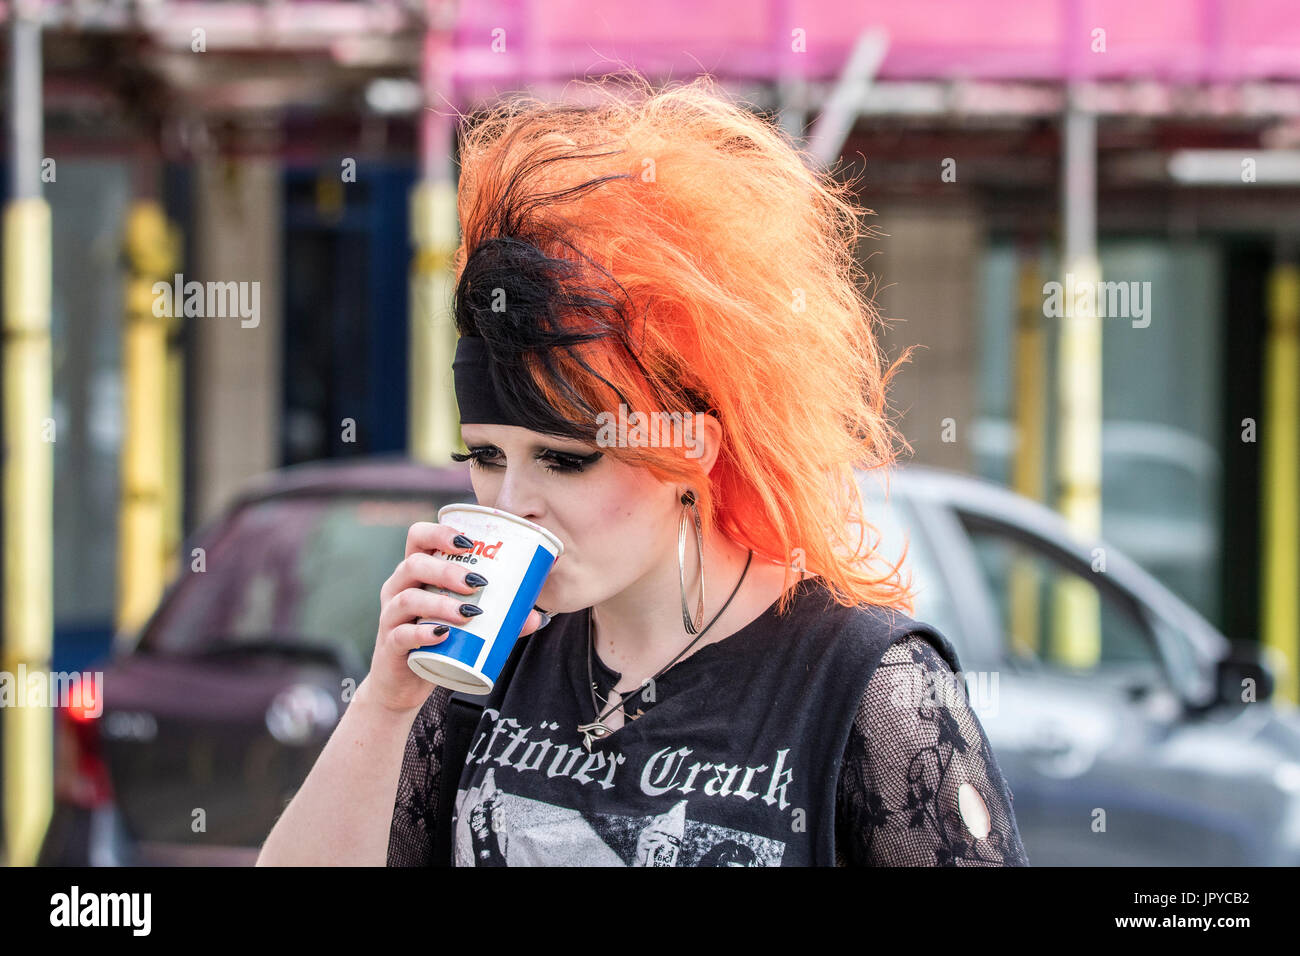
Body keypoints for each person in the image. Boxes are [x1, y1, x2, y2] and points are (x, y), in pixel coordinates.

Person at [258, 74, 1028, 867]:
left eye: (566, 459)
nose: (514, 502)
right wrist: (386, 701)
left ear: (690, 447)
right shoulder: (485, 663)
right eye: (486, 456)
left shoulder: (863, 682)